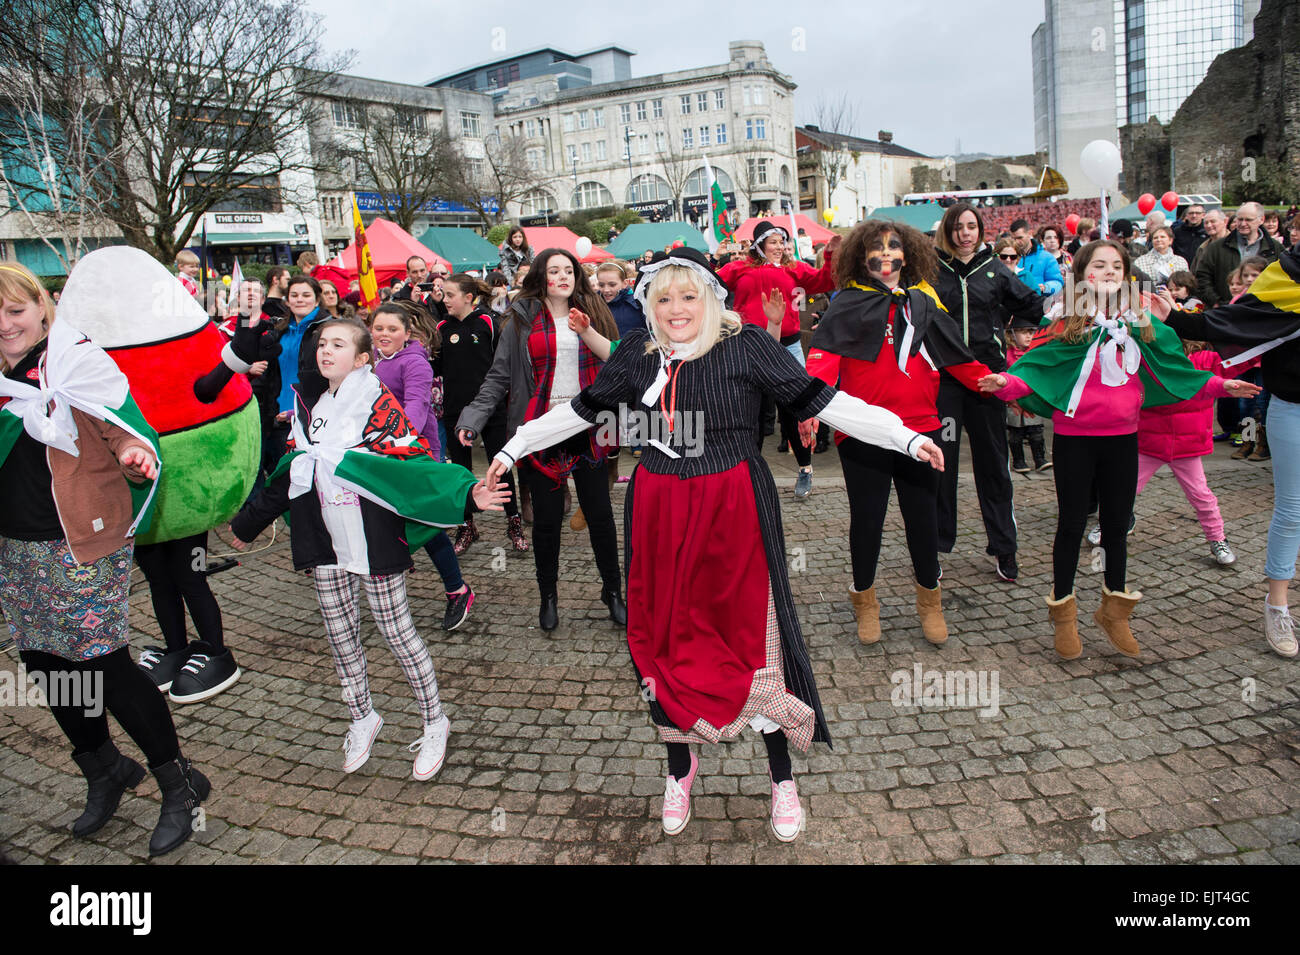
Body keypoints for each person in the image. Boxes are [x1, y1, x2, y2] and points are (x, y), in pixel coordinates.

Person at [484, 248, 944, 841]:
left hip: (733, 505)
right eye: (664, 298)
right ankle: (680, 766)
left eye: (688, 295)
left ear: (711, 298)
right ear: (649, 303)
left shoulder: (746, 345)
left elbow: (824, 402)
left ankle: (782, 779)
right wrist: (509, 450)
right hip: (658, 509)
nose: (676, 309)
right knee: (664, 635)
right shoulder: (635, 353)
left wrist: (903, 438)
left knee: (753, 634)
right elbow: (577, 412)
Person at [230, 317, 510, 777]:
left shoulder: (379, 404)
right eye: (322, 344)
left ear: (362, 359)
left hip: (372, 539)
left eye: (338, 345)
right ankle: (362, 717)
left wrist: (466, 497)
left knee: (397, 633)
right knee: (341, 637)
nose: (326, 352)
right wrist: (248, 523)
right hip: (324, 540)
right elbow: (294, 471)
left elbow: (412, 465)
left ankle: (434, 720)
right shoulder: (307, 406)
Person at [0, 262, 210, 857]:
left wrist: (137, 453)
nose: (5, 325)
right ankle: (104, 769)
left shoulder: (72, 362)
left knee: (103, 665)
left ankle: (179, 783)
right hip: (17, 545)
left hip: (82, 539)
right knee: (44, 661)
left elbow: (124, 426)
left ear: (43, 308)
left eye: (15, 311)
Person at [987, 241, 1258, 659]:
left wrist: (1221, 386)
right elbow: (1038, 370)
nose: (1110, 271)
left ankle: (1115, 611)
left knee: (1116, 526)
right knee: (1072, 525)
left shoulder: (1143, 322)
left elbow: (1174, 370)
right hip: (1076, 438)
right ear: (1081, 273)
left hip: (1123, 438)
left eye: (1117, 265)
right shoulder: (1065, 320)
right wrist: (1009, 384)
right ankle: (1064, 612)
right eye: (1100, 265)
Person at [803, 222, 999, 647]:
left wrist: (995, 382)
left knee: (923, 520)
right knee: (867, 520)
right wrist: (809, 407)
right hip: (862, 433)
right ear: (861, 255)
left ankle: (930, 602)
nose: (887, 253)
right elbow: (822, 361)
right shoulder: (846, 304)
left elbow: (959, 359)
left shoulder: (924, 304)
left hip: (922, 429)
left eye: (895, 247)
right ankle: (865, 602)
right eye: (877, 246)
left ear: (908, 255)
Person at [456, 248, 625, 631]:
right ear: (541, 277)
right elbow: (499, 377)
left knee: (600, 514)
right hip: (540, 428)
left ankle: (612, 591)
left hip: (590, 424)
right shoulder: (520, 318)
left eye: (569, 270)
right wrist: (473, 417)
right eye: (554, 271)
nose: (563, 276)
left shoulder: (595, 310)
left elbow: (617, 364)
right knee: (547, 521)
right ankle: (548, 596)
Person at [1152, 249, 1300, 657]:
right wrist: (1178, 318)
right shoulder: (1288, 274)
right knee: (1292, 509)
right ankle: (1277, 605)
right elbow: (1236, 318)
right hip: (1293, 408)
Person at [933, 202, 1045, 582]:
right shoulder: (932, 271)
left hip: (987, 381)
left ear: (980, 230)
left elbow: (1032, 303)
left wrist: (1007, 331)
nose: (966, 234)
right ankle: (936, 545)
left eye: (972, 227)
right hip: (946, 383)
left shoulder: (995, 269)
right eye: (958, 227)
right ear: (948, 231)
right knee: (939, 464)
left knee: (994, 466)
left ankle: (1004, 547)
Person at [370, 301, 479, 629]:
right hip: (381, 448)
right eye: (379, 328)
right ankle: (391, 582)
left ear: (407, 332)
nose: (385, 334)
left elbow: (416, 405)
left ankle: (457, 589)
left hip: (414, 448)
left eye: (392, 329)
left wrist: (401, 441)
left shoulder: (415, 362)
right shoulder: (371, 361)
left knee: (424, 523)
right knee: (385, 515)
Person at [717, 220, 842, 500]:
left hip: (788, 347)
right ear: (759, 244)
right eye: (772, 242)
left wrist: (832, 254)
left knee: (794, 411)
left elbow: (826, 280)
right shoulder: (739, 268)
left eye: (781, 242)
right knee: (754, 412)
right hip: (749, 348)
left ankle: (805, 469)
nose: (779, 247)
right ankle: (748, 474)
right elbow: (711, 284)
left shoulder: (794, 268)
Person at [436, 274, 528, 554]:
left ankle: (514, 522)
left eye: (450, 294)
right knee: (460, 471)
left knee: (499, 467)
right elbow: (437, 368)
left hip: (491, 409)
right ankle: (466, 525)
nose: (445, 300)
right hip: (455, 411)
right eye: (444, 295)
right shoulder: (441, 326)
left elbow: (502, 366)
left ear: (468, 297)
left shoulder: (487, 322)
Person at [1132, 336, 1240, 565]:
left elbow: (1236, 362)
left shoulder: (1206, 359)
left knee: (1201, 495)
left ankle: (1218, 539)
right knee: (1125, 488)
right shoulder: (1149, 356)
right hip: (1150, 440)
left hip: (1186, 444)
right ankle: (1111, 525)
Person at [1196, 202, 1285, 306]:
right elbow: (1202, 277)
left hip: (1264, 312)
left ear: (1261, 220)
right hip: (1225, 312)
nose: (1243, 224)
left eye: (1248, 220)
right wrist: (1216, 303)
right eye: (1240, 219)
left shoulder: (1275, 248)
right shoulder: (1217, 247)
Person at [1005, 316, 1050, 472]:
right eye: (1023, 332)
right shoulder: (1007, 355)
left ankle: (1040, 458)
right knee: (1016, 433)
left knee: (1036, 431)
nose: (1028, 336)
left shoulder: (1036, 352)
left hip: (1033, 398)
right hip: (1014, 399)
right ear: (1012, 335)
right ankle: (1019, 461)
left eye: (1031, 332)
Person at [1010, 218, 1063, 295]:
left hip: (1040, 303)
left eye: (1020, 238)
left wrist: (1045, 287)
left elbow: (1058, 283)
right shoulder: (1009, 258)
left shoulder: (1047, 258)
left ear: (1029, 234)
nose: (1016, 242)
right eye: (1014, 239)